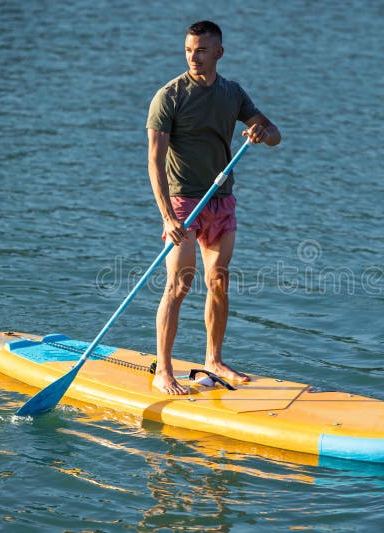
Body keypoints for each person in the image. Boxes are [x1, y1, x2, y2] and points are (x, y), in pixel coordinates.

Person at [146, 20, 281, 394]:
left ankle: (213, 360)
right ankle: (164, 372)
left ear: (218, 52)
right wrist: (168, 216)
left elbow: (275, 136)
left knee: (219, 280)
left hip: (221, 200)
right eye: (189, 49)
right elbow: (154, 162)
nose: (194, 56)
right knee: (179, 284)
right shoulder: (169, 96)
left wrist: (260, 132)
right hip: (184, 202)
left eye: (202, 50)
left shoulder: (232, 93)